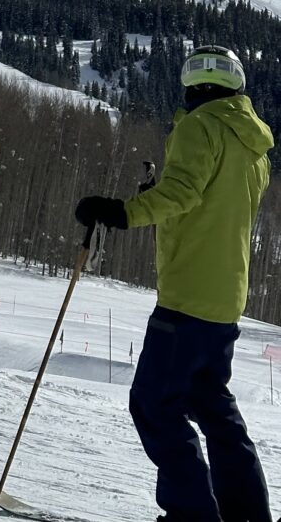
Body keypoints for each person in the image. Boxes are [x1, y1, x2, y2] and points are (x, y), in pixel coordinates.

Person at [75, 44, 273, 522]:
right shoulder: (254, 145)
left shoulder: (198, 128)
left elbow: (184, 193)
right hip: (225, 300)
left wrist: (123, 211)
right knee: (210, 403)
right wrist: (158, 198)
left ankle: (193, 514)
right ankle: (246, 513)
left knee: (154, 404)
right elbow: (209, 204)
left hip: (186, 298)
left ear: (191, 85)